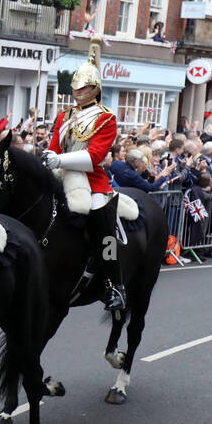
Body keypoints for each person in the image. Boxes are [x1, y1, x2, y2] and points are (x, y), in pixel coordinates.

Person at [43, 40, 125, 315]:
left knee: (104, 222)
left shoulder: (106, 118)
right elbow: (55, 146)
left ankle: (114, 284)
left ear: (95, 89)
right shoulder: (64, 115)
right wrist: (48, 157)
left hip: (91, 178)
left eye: (84, 88)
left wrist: (59, 159)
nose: (77, 92)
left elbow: (94, 157)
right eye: (76, 88)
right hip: (61, 172)